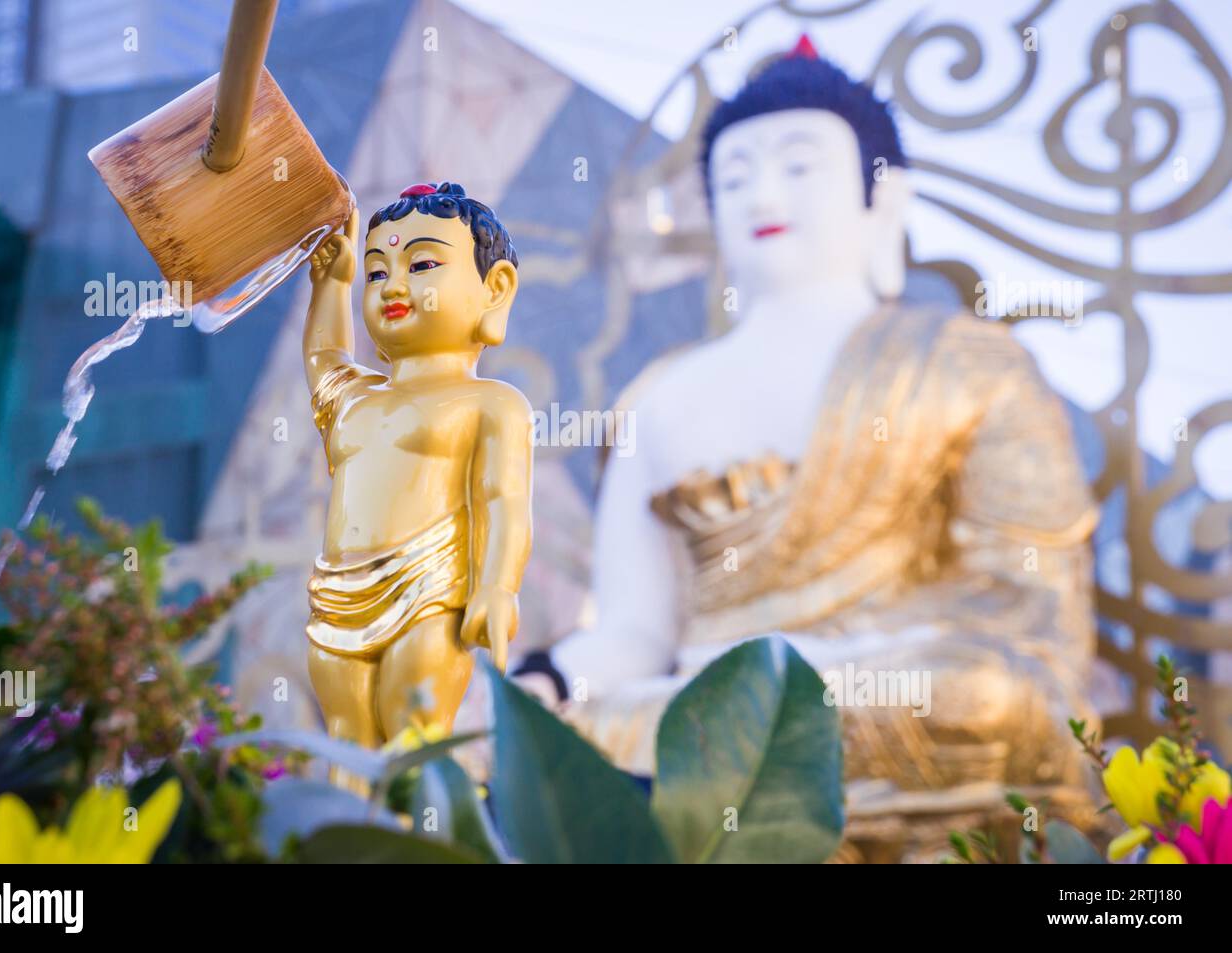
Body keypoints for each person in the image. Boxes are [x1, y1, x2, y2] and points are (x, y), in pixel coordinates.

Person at [522, 39, 1100, 859]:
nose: (762, 192)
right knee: (573, 737)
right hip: (696, 698)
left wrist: (808, 673)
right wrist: (547, 685)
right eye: (733, 177)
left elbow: (1036, 623)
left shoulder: (966, 361)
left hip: (910, 692)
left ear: (881, 194)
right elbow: (635, 629)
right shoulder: (661, 393)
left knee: (995, 699)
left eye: (799, 166)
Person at [302, 182, 533, 780]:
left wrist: (498, 587)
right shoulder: (354, 399)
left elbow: (502, 500)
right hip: (338, 600)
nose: (393, 287)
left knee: (413, 738)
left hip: (431, 594)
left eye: (423, 264)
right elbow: (325, 355)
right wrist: (332, 284)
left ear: (495, 289)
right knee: (347, 742)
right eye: (377, 274)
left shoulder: (492, 404)